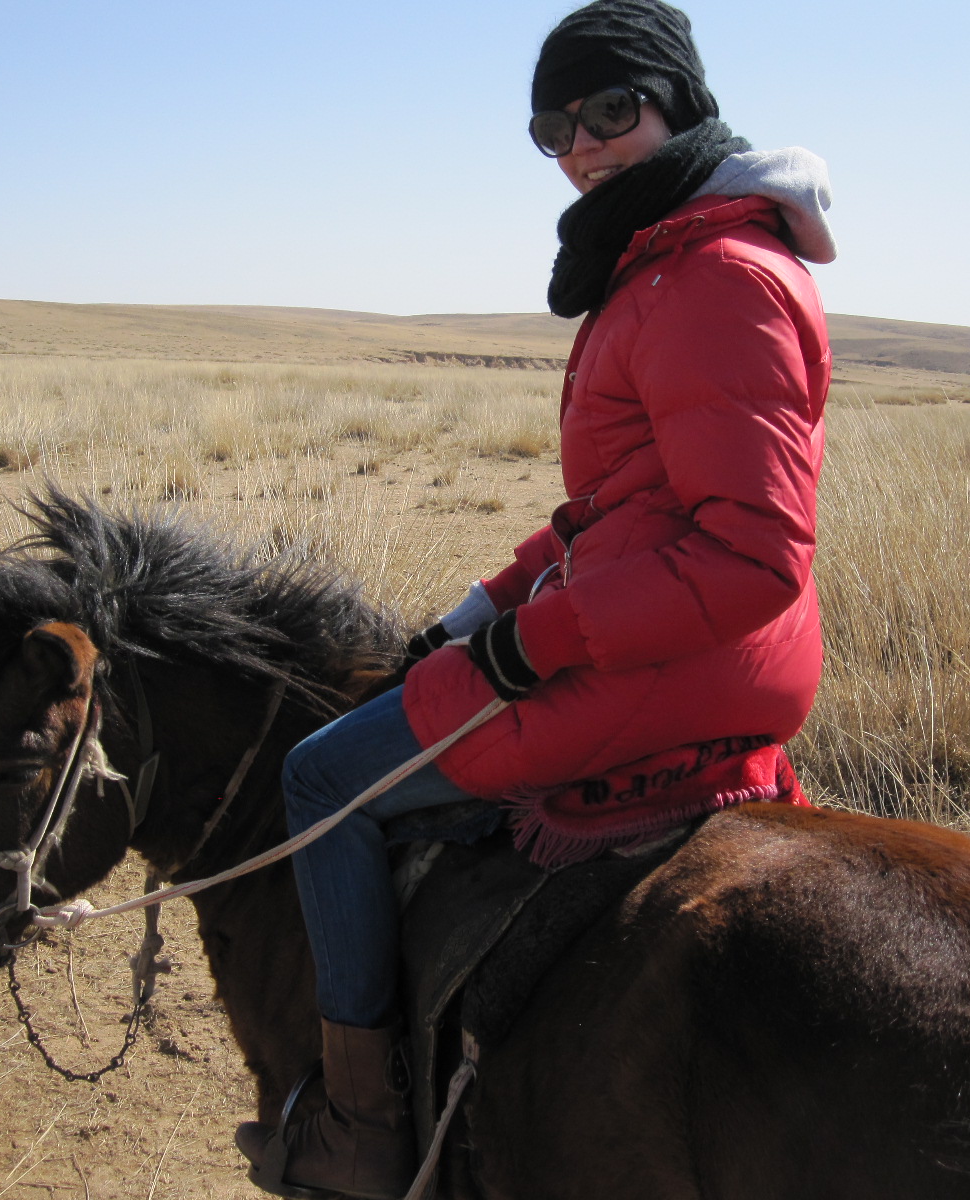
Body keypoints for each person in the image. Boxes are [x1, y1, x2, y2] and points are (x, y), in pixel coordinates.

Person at [234, 2, 835, 1196]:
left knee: (320, 780)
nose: (582, 146)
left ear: (679, 101)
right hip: (668, 635)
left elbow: (754, 555)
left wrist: (524, 649)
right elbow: (613, 506)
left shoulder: (709, 276)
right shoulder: (665, 258)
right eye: (552, 128)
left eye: (611, 109)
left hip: (674, 656)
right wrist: (471, 618)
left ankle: (359, 1124)